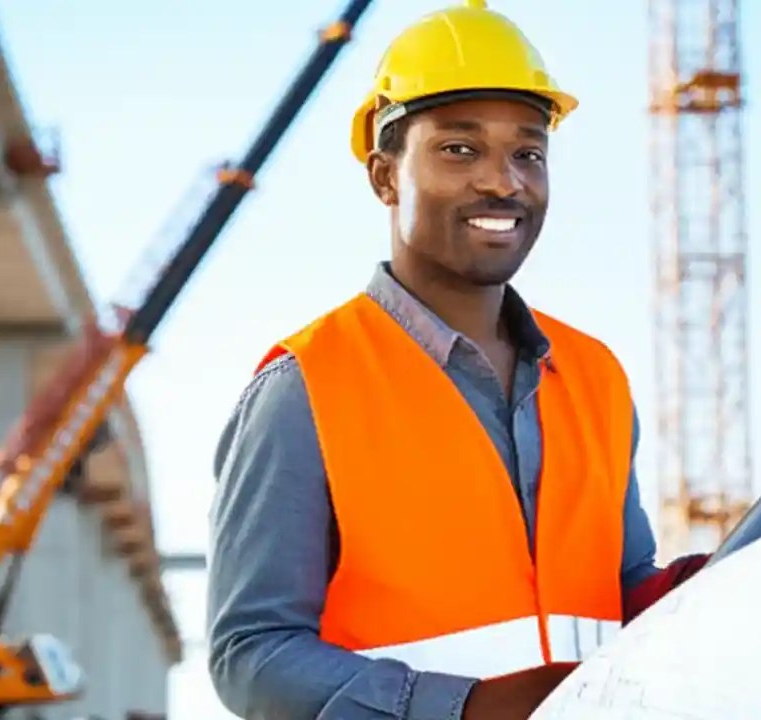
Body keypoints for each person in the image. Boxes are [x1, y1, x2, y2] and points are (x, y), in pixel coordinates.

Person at [206, 1, 710, 718]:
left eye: (528, 153)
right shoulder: (305, 388)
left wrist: (699, 588)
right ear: (385, 178)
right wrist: (459, 708)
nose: (503, 182)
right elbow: (249, 654)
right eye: (459, 149)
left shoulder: (595, 376)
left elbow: (616, 591)